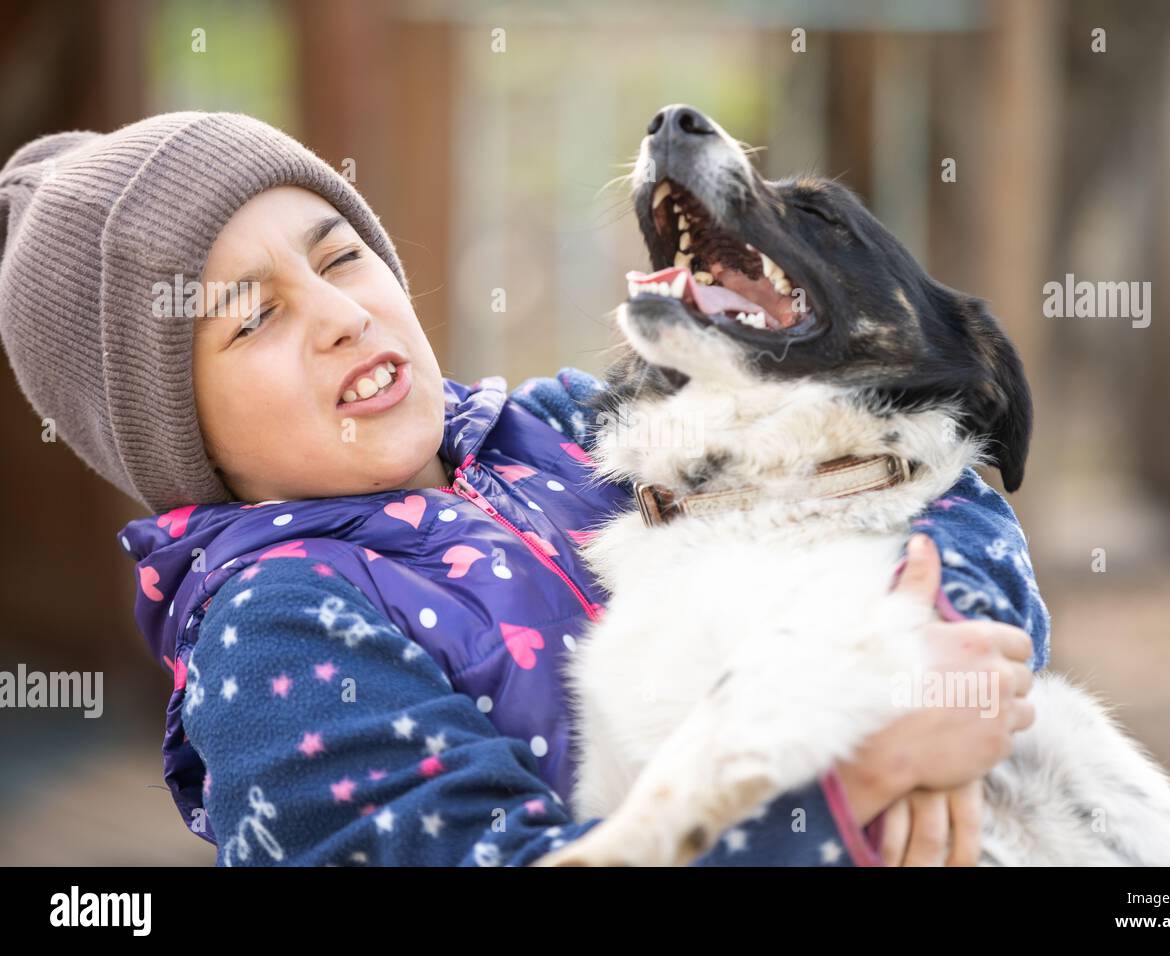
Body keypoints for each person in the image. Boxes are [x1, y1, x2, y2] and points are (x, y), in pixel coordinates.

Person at [0, 112, 1047, 867]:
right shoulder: (276, 638)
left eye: (342, 256)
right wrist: (848, 783)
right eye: (252, 318)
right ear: (177, 426)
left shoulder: (567, 428)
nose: (340, 314)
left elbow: (924, 472)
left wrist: (944, 659)